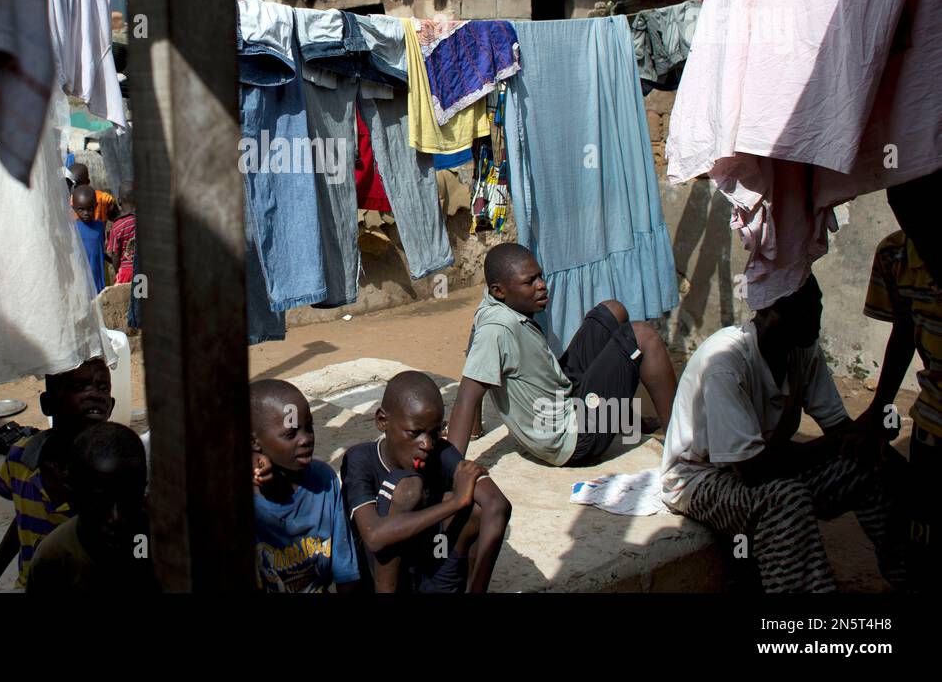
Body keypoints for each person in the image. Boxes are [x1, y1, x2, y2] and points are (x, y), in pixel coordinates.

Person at [660, 274, 908, 592]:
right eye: (807, 307)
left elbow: (838, 428)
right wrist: (838, 442)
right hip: (699, 478)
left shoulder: (802, 349)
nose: (818, 315)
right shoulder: (725, 362)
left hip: (760, 464)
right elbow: (753, 470)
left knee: (869, 462)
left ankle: (911, 578)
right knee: (786, 500)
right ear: (772, 309)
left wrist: (867, 439)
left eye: (817, 304)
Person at [447, 242, 677, 466]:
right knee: (643, 336)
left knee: (612, 310)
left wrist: (477, 429)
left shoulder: (490, 305)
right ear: (499, 291)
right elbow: (468, 394)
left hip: (562, 396)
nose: (541, 285)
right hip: (573, 439)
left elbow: (473, 354)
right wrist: (451, 471)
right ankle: (680, 446)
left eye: (540, 276)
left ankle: (625, 420)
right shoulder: (496, 329)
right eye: (530, 282)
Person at [341, 370, 510, 592]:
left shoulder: (440, 451)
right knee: (407, 489)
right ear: (382, 421)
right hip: (378, 580)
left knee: (476, 509)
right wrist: (454, 502)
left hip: (427, 564)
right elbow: (374, 536)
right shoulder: (360, 459)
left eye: (435, 432)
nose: (427, 444)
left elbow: (497, 504)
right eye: (415, 433)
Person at [859, 170, 942, 586]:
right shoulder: (894, 256)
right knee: (923, 538)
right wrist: (880, 406)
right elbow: (905, 330)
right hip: (933, 419)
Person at [0, 357, 114, 591]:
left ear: (111, 404)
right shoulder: (20, 457)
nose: (95, 395)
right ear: (47, 404)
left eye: (103, 388)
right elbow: (23, 519)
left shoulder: (115, 468)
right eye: (79, 387)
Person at [250, 379, 360, 592]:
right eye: (291, 434)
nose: (306, 440)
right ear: (254, 442)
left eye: (308, 427)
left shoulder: (323, 480)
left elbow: (345, 572)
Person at [26, 423, 158, 593]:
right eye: (99, 503)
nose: (115, 517)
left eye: (128, 499)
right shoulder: (53, 558)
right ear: (73, 497)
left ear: (143, 492)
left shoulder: (168, 545)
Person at [72, 184, 107, 292]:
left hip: (98, 276)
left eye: (90, 209)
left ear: (96, 206)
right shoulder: (73, 229)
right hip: (82, 279)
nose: (86, 213)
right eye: (81, 209)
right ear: (74, 208)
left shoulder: (100, 226)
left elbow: (100, 247)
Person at [67, 157, 117, 222]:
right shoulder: (67, 203)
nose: (73, 188)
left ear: (87, 182)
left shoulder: (104, 199)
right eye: (70, 184)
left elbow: (116, 219)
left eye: (77, 184)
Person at [106, 180, 137, 286]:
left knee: (126, 300)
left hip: (125, 272)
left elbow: (115, 254)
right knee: (142, 298)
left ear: (119, 201)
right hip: (142, 269)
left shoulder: (117, 227)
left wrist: (117, 271)